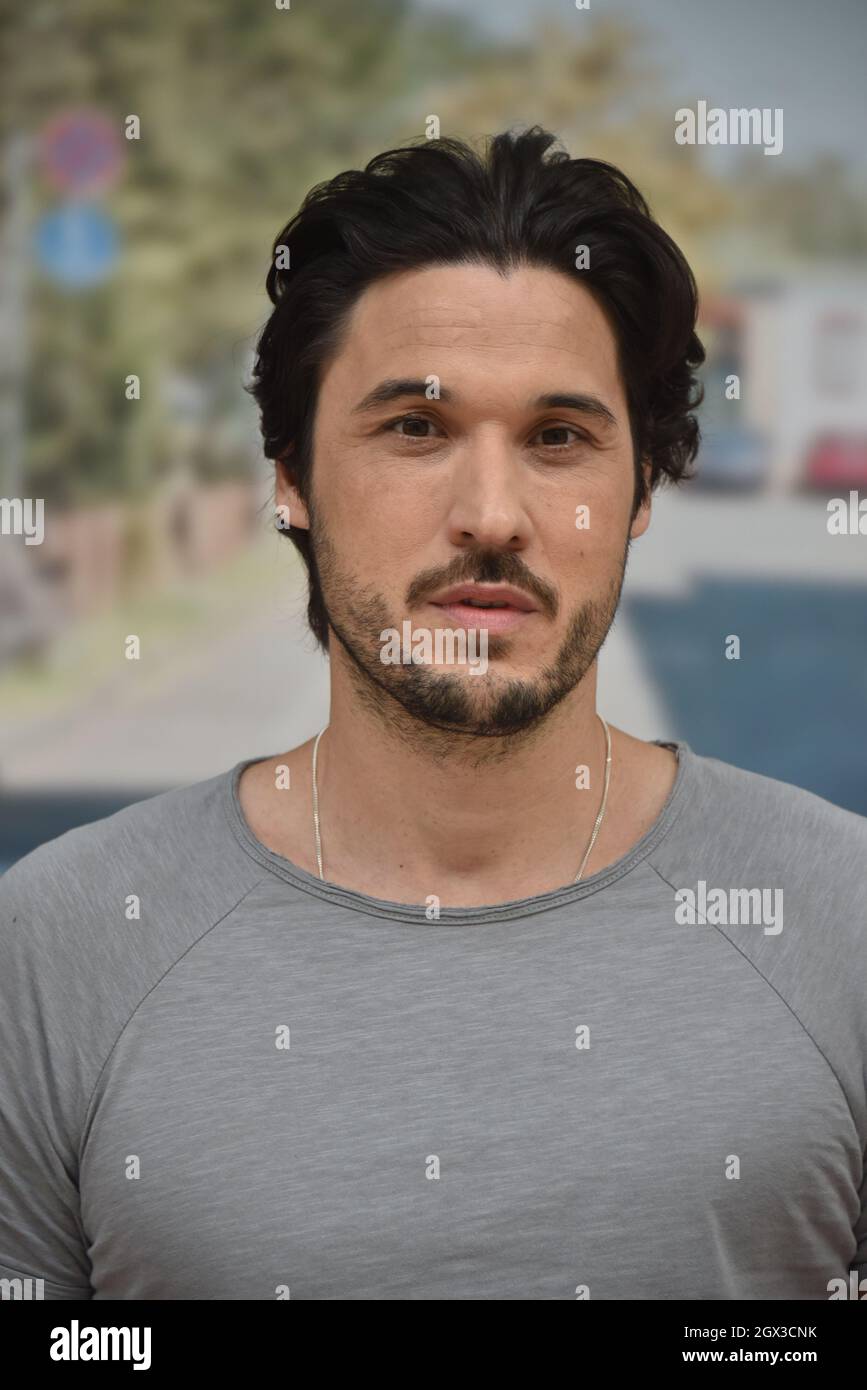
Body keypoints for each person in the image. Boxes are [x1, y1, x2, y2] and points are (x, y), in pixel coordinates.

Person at [1, 128, 865, 1302]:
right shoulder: (55, 945)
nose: (493, 514)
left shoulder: (843, 920)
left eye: (560, 437)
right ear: (292, 477)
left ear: (641, 489)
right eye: (416, 426)